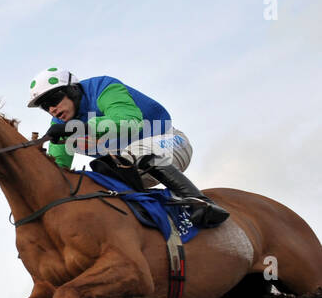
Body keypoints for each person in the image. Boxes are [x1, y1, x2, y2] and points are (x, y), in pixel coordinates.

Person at [27, 68, 229, 227]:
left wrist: (76, 128)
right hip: (131, 170)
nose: (52, 109)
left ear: (72, 89)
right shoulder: (59, 126)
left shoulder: (104, 87)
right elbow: (57, 171)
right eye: (46, 107)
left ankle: (200, 202)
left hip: (171, 144)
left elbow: (128, 121)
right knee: (92, 182)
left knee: (133, 153)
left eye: (54, 100)